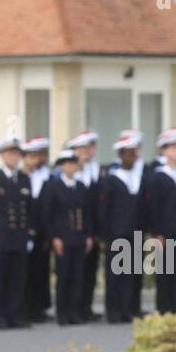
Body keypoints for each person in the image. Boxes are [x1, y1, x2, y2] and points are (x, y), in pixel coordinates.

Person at [0, 137, 34, 329]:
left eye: (16, 154)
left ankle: (16, 314)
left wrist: (30, 235)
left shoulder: (24, 179)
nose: (13, 157)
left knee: (18, 279)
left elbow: (29, 210)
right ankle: (0, 316)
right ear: (2, 156)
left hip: (19, 237)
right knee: (0, 279)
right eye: (9, 154)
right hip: (0, 238)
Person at [143, 128, 176, 314]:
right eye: (173, 147)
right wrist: (157, 232)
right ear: (164, 150)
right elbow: (153, 206)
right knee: (165, 271)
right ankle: (164, 308)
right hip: (165, 232)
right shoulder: (157, 175)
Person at [98, 130, 146, 323]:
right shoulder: (110, 178)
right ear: (120, 155)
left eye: (134, 152)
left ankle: (129, 309)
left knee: (132, 274)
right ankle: (113, 310)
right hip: (116, 234)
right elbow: (103, 209)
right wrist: (105, 234)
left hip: (135, 233)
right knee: (115, 274)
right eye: (127, 153)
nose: (131, 156)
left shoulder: (138, 177)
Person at [47, 149, 92, 325]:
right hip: (63, 238)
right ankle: (62, 313)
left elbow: (87, 212)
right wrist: (54, 237)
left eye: (73, 164)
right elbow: (49, 214)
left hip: (79, 237)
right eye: (67, 164)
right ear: (61, 166)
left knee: (77, 276)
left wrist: (88, 235)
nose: (71, 167)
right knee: (63, 276)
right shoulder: (54, 186)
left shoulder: (80, 187)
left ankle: (74, 312)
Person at [22, 138, 53, 323]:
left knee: (42, 270)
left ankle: (40, 307)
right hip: (25, 231)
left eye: (41, 154)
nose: (38, 159)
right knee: (26, 271)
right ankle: (27, 307)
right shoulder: (22, 177)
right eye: (34, 155)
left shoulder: (47, 176)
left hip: (43, 231)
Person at [72, 132, 102, 321]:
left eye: (89, 148)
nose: (86, 153)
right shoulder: (70, 172)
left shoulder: (98, 170)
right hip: (77, 230)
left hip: (96, 229)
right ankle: (75, 308)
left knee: (91, 270)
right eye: (82, 149)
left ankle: (87, 307)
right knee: (77, 272)